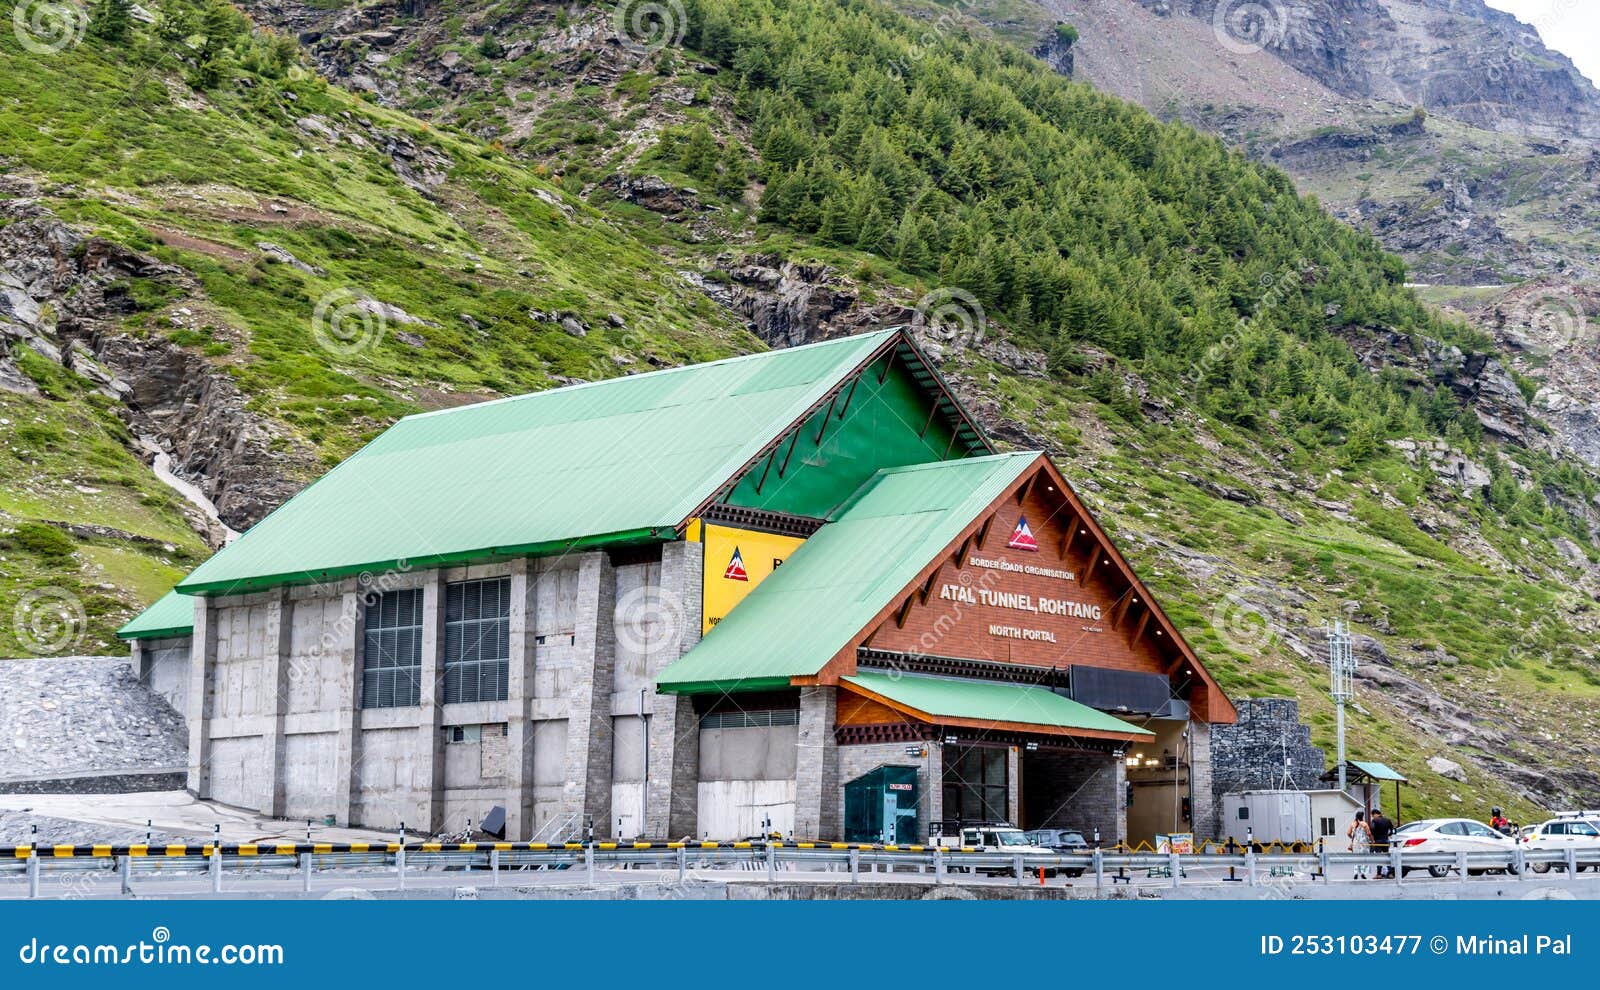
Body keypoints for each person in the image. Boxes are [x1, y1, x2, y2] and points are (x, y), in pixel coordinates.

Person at [1369, 808, 1394, 877]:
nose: (1373, 817)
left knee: (1379, 857)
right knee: (1387, 857)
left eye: (1372, 815)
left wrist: (1373, 837)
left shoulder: (1374, 820)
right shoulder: (1388, 820)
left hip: (1378, 841)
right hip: (1386, 841)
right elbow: (1392, 831)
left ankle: (1379, 874)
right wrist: (1388, 835)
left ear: (1375, 814)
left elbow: (1372, 830)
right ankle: (1390, 873)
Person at [1347, 810, 1372, 880]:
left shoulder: (1352, 824)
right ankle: (1363, 873)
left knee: (1356, 858)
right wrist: (1372, 840)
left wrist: (1353, 838)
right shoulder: (1364, 824)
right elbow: (1369, 833)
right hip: (1364, 843)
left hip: (1355, 843)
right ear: (1362, 816)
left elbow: (1348, 833)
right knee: (1364, 858)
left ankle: (1356, 873)